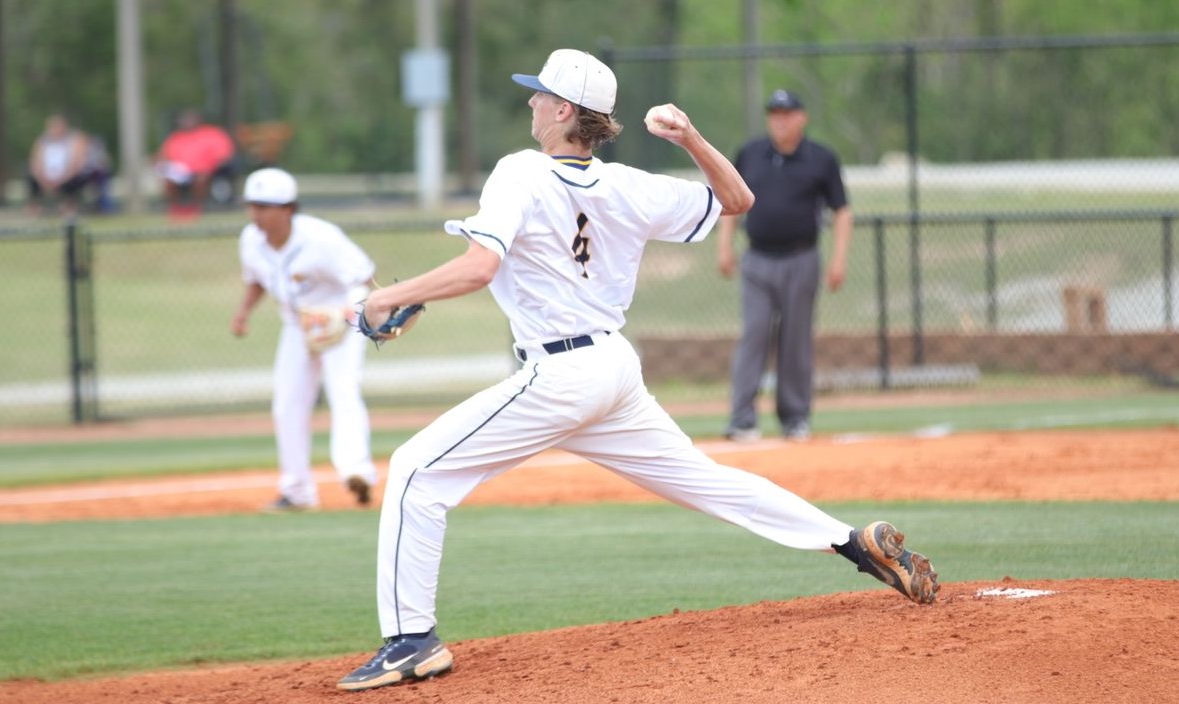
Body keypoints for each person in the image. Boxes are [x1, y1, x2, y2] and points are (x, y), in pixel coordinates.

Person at [336, 49, 937, 692]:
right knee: (707, 482)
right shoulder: (627, 185)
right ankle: (851, 542)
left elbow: (482, 266)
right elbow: (738, 199)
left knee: (415, 472)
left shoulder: (520, 171)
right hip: (612, 372)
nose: (532, 102)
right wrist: (691, 138)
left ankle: (411, 641)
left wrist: (387, 297)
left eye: (540, 94)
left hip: (560, 376)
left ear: (564, 110)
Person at [230, 167, 380, 512]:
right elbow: (256, 279)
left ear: (287, 209)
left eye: (264, 206)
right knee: (287, 404)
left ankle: (357, 472)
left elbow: (363, 276)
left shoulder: (320, 238)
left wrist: (349, 311)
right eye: (252, 205)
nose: (256, 213)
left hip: (338, 323)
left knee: (343, 390)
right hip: (297, 326)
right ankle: (297, 492)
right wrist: (243, 312)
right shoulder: (250, 240)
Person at [715, 89, 853, 443]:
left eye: (787, 113)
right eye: (774, 113)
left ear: (801, 117)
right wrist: (724, 247)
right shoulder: (751, 154)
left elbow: (841, 210)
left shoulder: (820, 159)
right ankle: (742, 418)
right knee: (754, 334)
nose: (780, 119)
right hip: (758, 259)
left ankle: (795, 417)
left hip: (801, 258)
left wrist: (839, 259)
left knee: (796, 339)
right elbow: (730, 201)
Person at [155, 108, 236, 219]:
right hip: (182, 173)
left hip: (207, 172)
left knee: (201, 178)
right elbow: (164, 157)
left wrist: (210, 167)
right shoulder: (176, 138)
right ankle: (176, 209)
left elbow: (224, 155)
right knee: (169, 180)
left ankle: (197, 208)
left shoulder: (212, 134)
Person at [26, 113, 112, 216]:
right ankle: (35, 207)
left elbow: (77, 164)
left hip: (69, 176)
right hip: (48, 177)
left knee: (77, 179)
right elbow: (35, 163)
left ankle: (69, 205)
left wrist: (60, 180)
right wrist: (44, 180)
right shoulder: (43, 141)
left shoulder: (75, 139)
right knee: (30, 177)